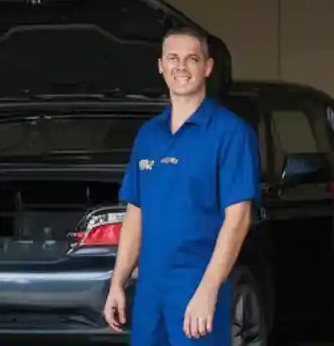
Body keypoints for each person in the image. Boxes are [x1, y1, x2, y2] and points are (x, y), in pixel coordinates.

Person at [103, 25, 260, 344]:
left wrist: (208, 290)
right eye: (172, 58)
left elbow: (238, 218)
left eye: (191, 58)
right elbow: (136, 214)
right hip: (150, 290)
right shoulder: (148, 135)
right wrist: (118, 282)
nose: (181, 67)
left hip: (196, 285)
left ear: (207, 67)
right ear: (161, 66)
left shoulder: (230, 133)